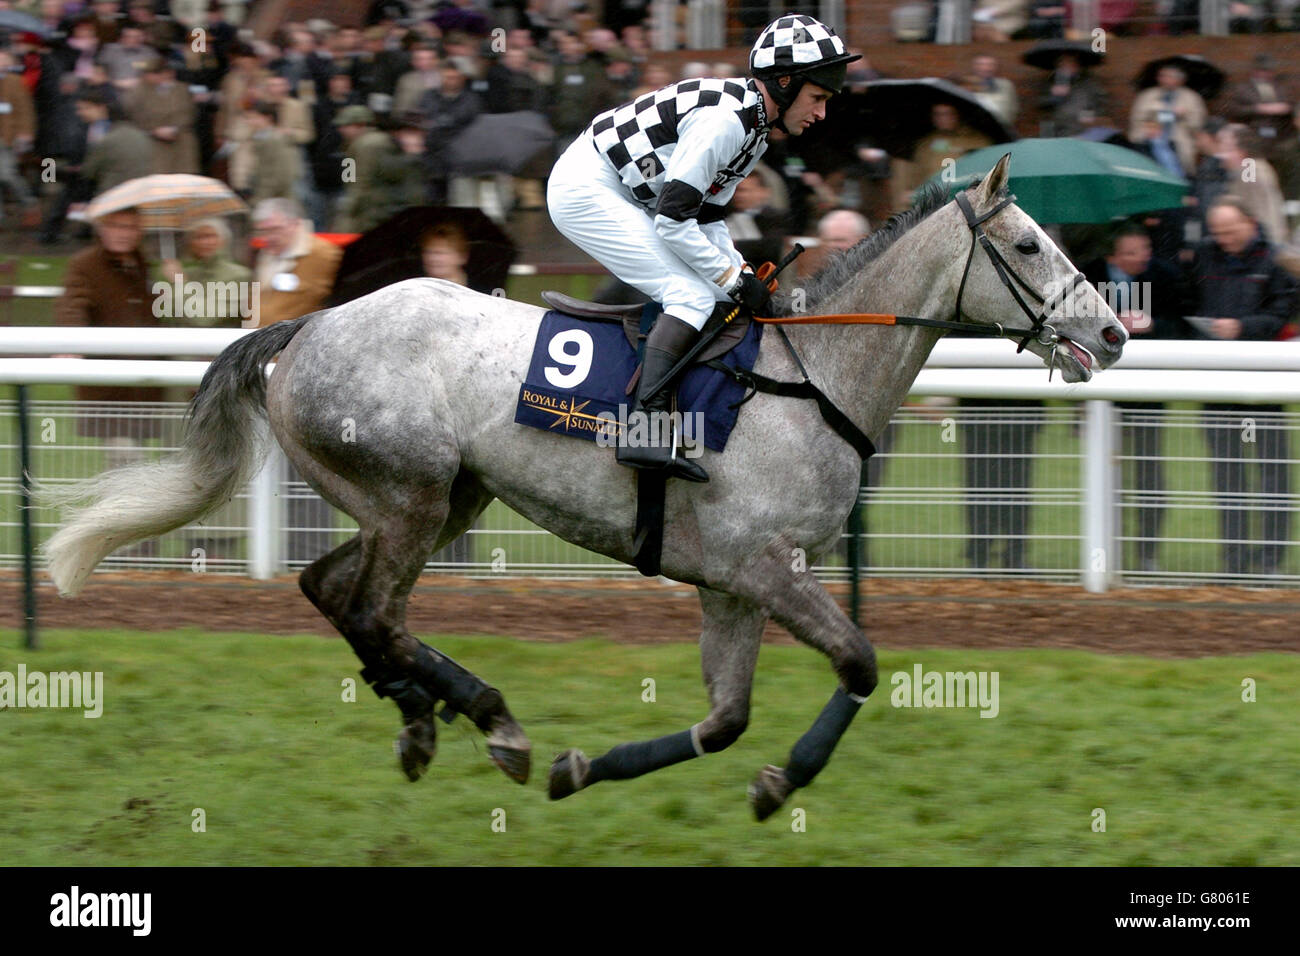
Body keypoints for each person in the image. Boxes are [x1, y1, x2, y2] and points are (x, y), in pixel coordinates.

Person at [547, 13, 859, 481]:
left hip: (624, 188)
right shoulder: (727, 122)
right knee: (690, 294)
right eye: (817, 98)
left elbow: (707, 217)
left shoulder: (754, 128)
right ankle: (643, 432)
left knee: (714, 293)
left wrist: (742, 273)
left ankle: (687, 416)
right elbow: (675, 222)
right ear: (786, 81)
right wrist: (733, 278)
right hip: (586, 187)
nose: (821, 113)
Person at [1185, 197, 1300, 576]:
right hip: (1218, 388)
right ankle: (1234, 561)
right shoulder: (1204, 256)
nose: (1224, 239)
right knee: (1226, 477)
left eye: (1231, 232)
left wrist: (1242, 328)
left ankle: (1269, 560)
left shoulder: (1276, 262)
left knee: (1271, 477)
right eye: (1218, 233)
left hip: (1261, 388)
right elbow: (1183, 300)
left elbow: (1281, 314)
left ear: (1250, 223)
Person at [1083, 225, 1188, 572]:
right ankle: (1103, 554)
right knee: (1101, 474)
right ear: (1112, 256)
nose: (1142, 256)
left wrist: (1153, 325)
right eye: (1132, 252)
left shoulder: (1165, 276)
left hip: (1146, 396)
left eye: (1144, 249)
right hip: (1099, 395)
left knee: (1148, 474)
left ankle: (1146, 553)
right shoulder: (1087, 278)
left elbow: (1184, 325)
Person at [252, 197, 344, 564]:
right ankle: (283, 553)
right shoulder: (268, 257)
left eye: (273, 229)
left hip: (304, 378)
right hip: (265, 375)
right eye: (262, 231)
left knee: (306, 468)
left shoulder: (323, 255)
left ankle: (310, 552)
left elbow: (341, 304)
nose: (266, 237)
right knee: (270, 469)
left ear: (292, 224)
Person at [1130, 66, 1206, 177]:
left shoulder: (1191, 98)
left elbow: (1197, 123)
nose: (1165, 80)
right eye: (1162, 76)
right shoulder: (1147, 95)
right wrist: (1168, 115)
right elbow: (1137, 117)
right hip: (1149, 139)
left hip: (1179, 141)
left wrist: (1182, 116)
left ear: (1180, 80)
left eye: (1169, 77)